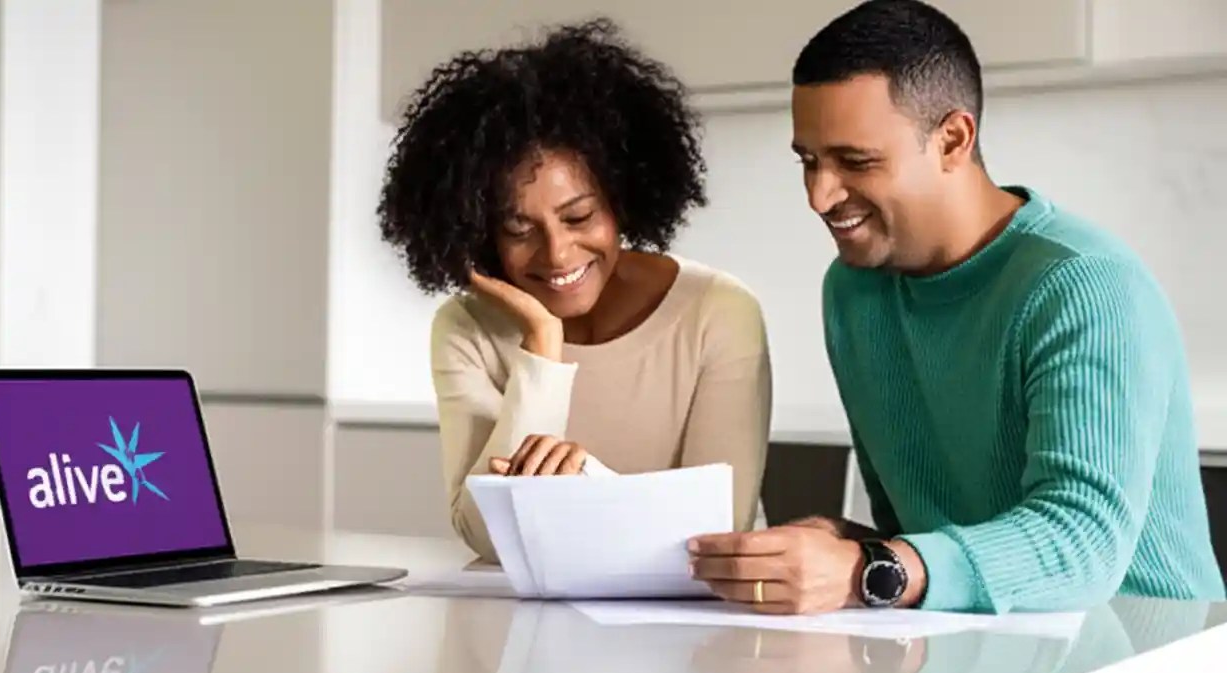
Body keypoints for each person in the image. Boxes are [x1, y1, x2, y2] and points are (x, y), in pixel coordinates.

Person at [689, 0, 1225, 614]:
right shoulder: (854, 290)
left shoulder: (1083, 284)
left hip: (1152, 654)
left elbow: (1083, 544)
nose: (819, 195)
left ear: (952, 140)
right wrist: (844, 545)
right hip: (990, 649)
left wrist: (868, 569)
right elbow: (920, 538)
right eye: (808, 161)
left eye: (855, 161)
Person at [377, 19, 772, 562]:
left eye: (579, 216)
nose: (558, 254)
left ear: (621, 200)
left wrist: (582, 483)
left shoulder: (717, 312)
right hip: (536, 611)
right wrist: (543, 344)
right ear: (480, 233)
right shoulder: (466, 329)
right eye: (519, 229)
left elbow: (715, 531)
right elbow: (488, 537)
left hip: (702, 610)